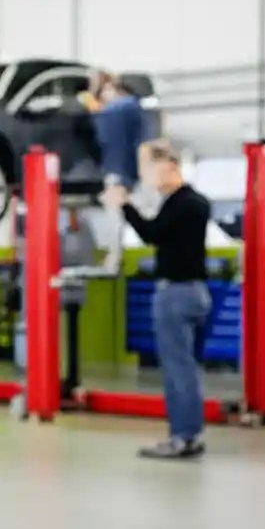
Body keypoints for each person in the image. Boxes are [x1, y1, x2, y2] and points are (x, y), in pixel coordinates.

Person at [102, 141, 211, 459]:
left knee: (178, 370)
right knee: (187, 368)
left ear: (169, 164)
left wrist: (125, 205)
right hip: (195, 292)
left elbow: (152, 233)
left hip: (176, 294)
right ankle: (188, 434)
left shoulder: (183, 203)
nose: (145, 176)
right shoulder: (192, 203)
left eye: (148, 167)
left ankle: (182, 437)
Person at [81, 71, 148, 273]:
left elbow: (101, 123)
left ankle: (113, 260)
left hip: (118, 170)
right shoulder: (129, 108)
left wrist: (89, 103)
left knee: (114, 214)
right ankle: (113, 257)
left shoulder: (123, 107)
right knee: (116, 213)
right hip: (123, 170)